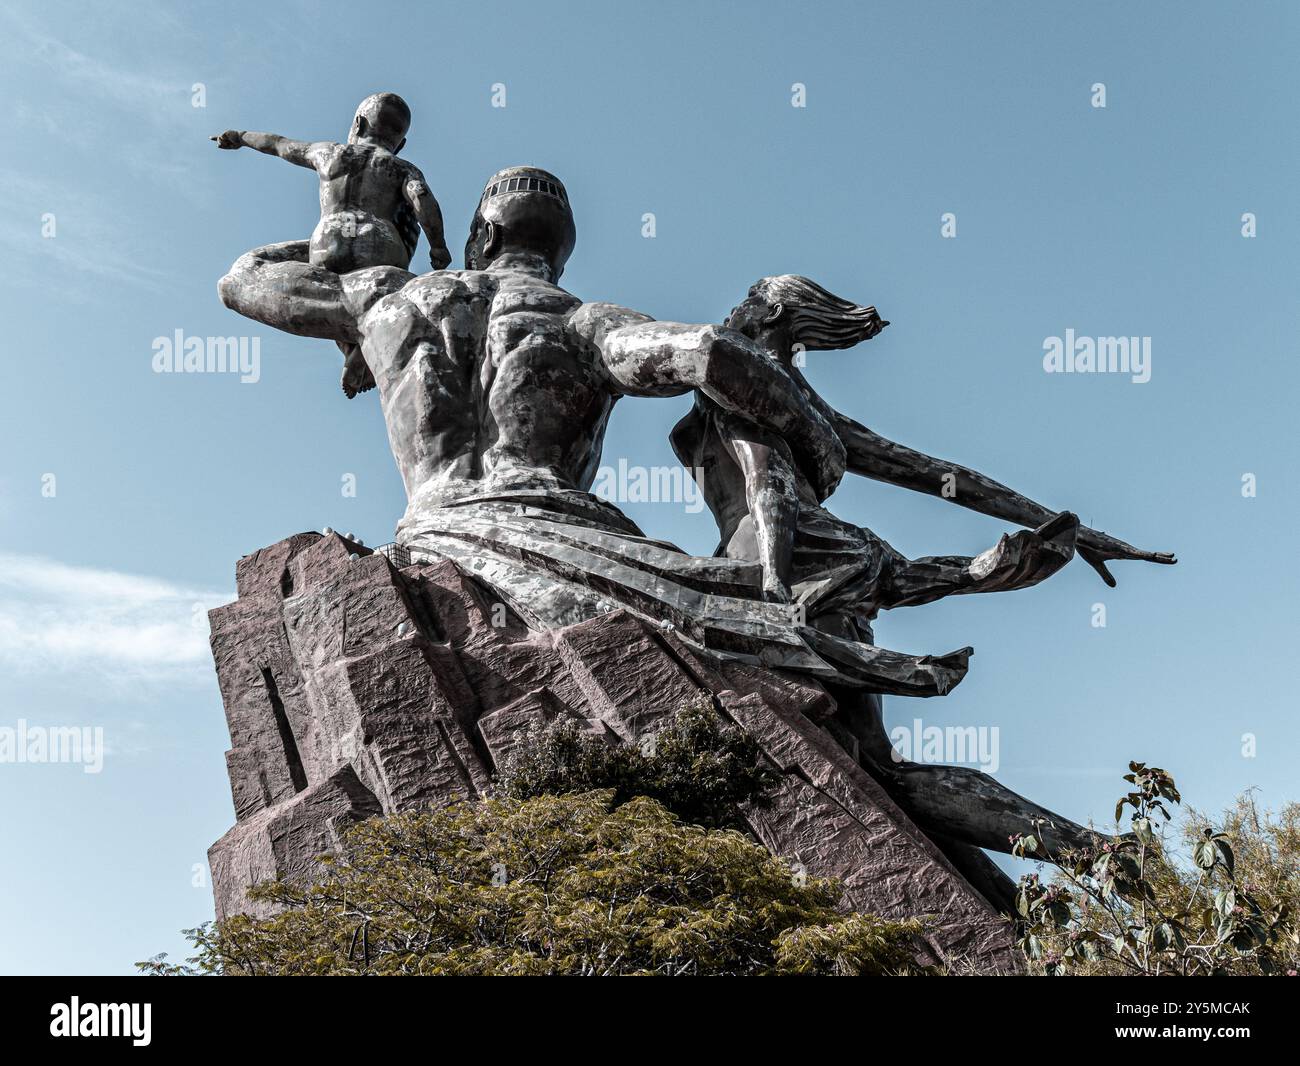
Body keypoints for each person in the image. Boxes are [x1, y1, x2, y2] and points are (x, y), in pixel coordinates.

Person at [213, 92, 451, 396]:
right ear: (400, 144)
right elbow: (421, 198)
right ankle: (359, 350)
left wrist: (240, 136)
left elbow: (278, 144)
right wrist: (438, 246)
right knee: (363, 293)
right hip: (381, 249)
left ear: (359, 124)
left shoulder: (328, 153)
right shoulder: (401, 168)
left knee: (323, 288)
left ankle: (354, 348)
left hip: (329, 244)